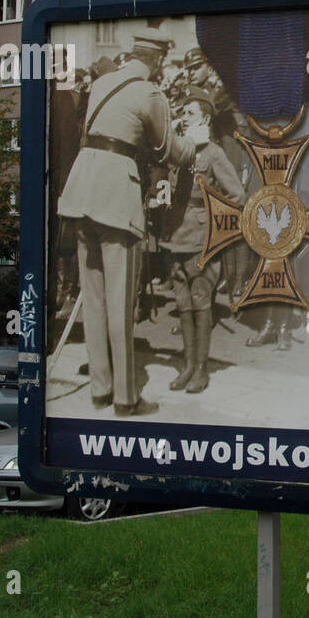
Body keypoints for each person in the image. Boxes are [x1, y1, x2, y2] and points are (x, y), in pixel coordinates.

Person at [58, 28, 195, 417]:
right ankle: (126, 398)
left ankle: (100, 390)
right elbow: (168, 149)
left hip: (82, 190)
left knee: (95, 299)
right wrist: (194, 147)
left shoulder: (103, 83)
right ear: (156, 60)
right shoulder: (151, 94)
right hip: (117, 196)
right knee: (120, 303)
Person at [161, 87, 245, 393]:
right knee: (182, 303)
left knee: (200, 302)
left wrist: (214, 226)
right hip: (174, 236)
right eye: (183, 113)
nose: (184, 118)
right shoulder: (178, 151)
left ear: (205, 118)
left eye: (190, 113)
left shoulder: (213, 153)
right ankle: (186, 366)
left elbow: (236, 195)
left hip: (200, 238)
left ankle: (200, 369)